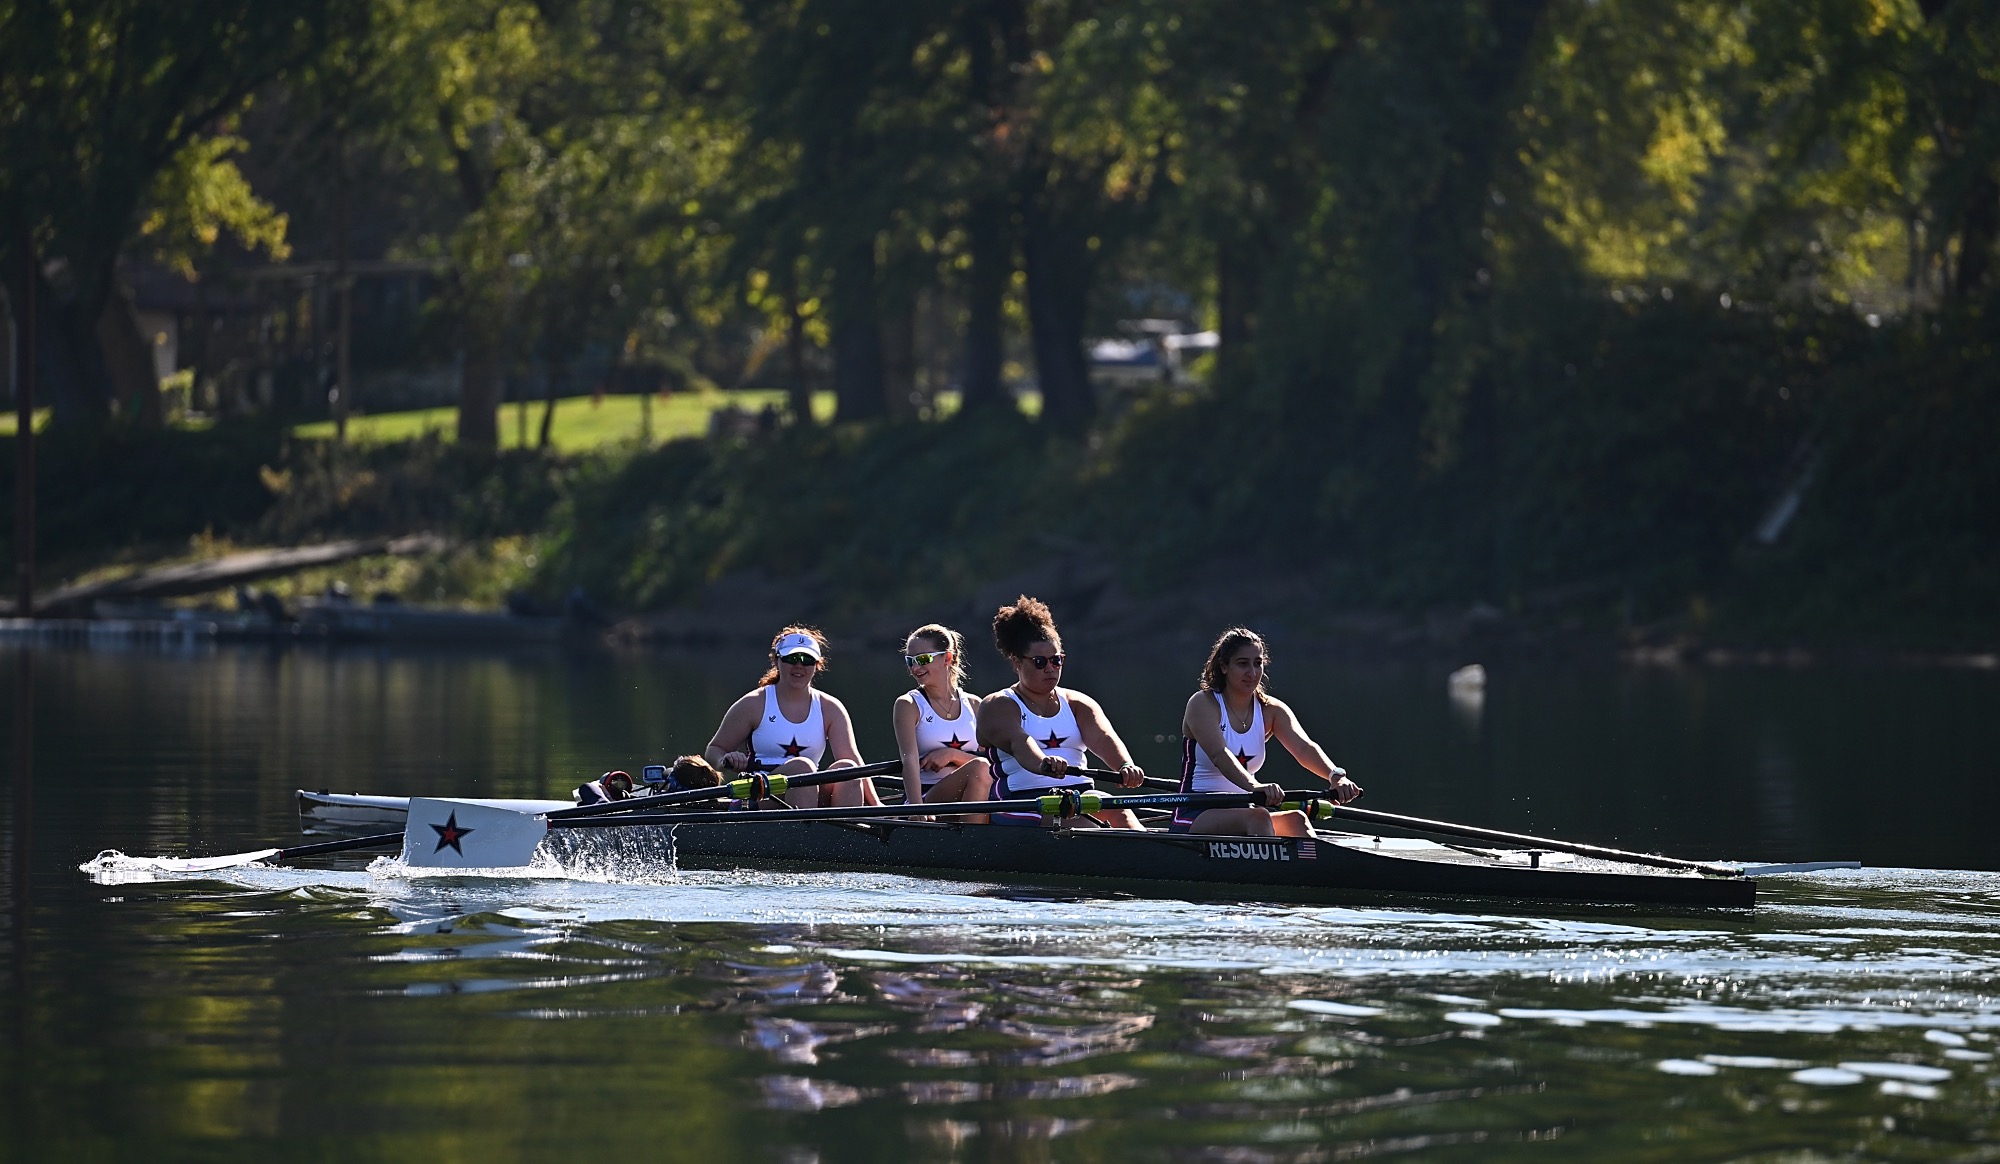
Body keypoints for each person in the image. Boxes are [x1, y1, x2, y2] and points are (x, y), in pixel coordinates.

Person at [976, 595, 1146, 829]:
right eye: (1039, 662)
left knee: (1120, 811)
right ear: (1017, 663)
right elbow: (1020, 742)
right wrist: (1044, 763)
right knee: (1083, 825)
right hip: (1021, 803)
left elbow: (1103, 737)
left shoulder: (1078, 703)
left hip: (1079, 797)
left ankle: (1158, 858)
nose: (1050, 669)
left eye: (1056, 660)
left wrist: (1125, 766)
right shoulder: (997, 705)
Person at [1174, 627, 1360, 837]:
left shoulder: (1271, 710)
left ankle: (1317, 868)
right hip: (1196, 812)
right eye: (1242, 664)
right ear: (1224, 666)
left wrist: (1335, 776)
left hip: (1245, 810)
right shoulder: (1203, 703)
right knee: (1260, 817)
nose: (1252, 673)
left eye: (1258, 663)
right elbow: (1219, 755)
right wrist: (1255, 787)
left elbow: (1304, 748)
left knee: (1297, 820)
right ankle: (1276, 870)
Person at [702, 626, 877, 808]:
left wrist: (878, 807)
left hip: (809, 790)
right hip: (764, 793)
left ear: (817, 664)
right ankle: (805, 832)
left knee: (847, 769)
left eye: (807, 659)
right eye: (791, 658)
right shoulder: (754, 704)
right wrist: (725, 761)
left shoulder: (831, 708)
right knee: (802, 767)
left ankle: (847, 832)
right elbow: (714, 750)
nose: (799, 665)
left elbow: (856, 764)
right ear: (777, 661)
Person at [892, 624, 992, 821]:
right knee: (979, 768)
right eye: (909, 661)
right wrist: (915, 810)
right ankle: (972, 845)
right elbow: (909, 760)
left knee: (981, 768)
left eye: (923, 659)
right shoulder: (909, 704)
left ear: (947, 658)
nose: (915, 668)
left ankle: (973, 843)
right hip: (925, 798)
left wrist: (952, 755)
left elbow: (991, 762)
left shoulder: (975, 705)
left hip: (970, 794)